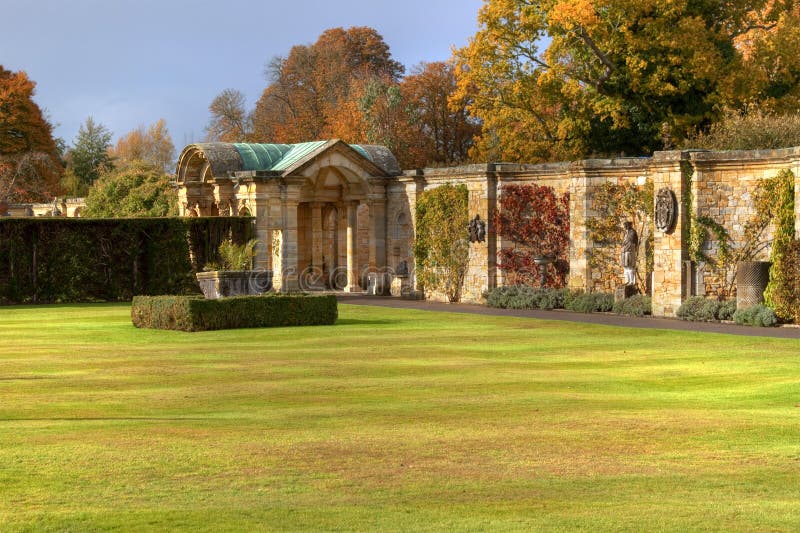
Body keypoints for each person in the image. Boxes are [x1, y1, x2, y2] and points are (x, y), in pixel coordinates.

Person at [621, 221, 638, 286]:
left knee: (630, 267)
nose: (625, 227)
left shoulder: (632, 232)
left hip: (630, 251)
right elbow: (623, 242)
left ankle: (631, 282)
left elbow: (631, 241)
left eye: (626, 225)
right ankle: (627, 281)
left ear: (628, 225)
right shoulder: (625, 233)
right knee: (625, 267)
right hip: (624, 252)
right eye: (624, 225)